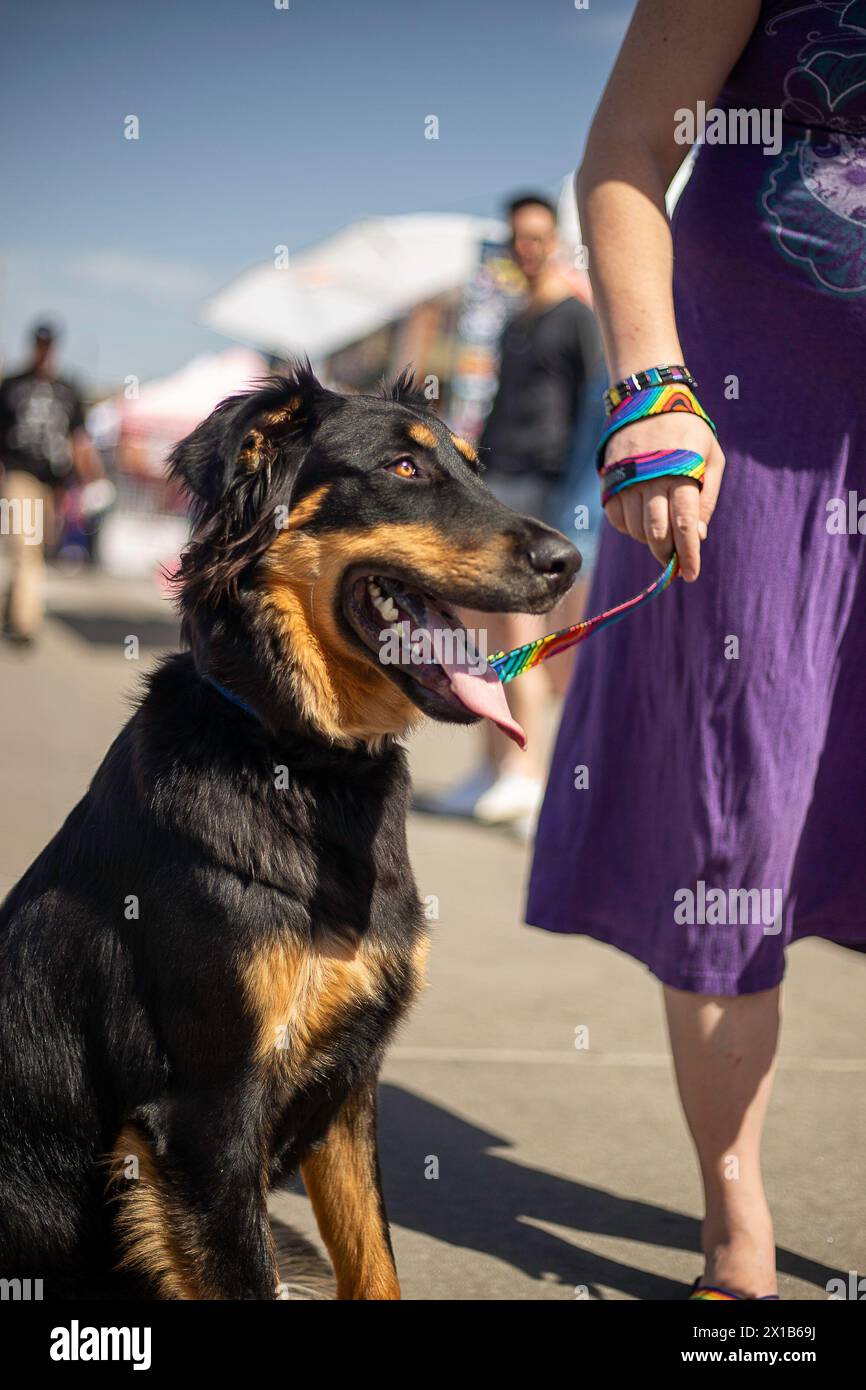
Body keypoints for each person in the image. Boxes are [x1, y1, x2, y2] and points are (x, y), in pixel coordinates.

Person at [528, 0, 866, 1300]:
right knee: (734, 826)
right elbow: (621, 151)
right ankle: (736, 1219)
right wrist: (647, 383)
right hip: (741, 432)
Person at [433, 193, 602, 831]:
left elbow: (597, 408)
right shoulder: (514, 322)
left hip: (545, 491)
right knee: (476, 631)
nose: (526, 248)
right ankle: (491, 767)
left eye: (537, 237)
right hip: (498, 486)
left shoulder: (575, 318)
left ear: (553, 241)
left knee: (518, 637)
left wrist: (578, 503)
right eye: (517, 239)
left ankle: (528, 777)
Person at [0, 321, 99, 644]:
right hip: (19, 475)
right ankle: (26, 623)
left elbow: (79, 441)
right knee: (27, 548)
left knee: (35, 549)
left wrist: (92, 480)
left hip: (54, 484)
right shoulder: (12, 385)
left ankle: (11, 608)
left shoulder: (69, 391)